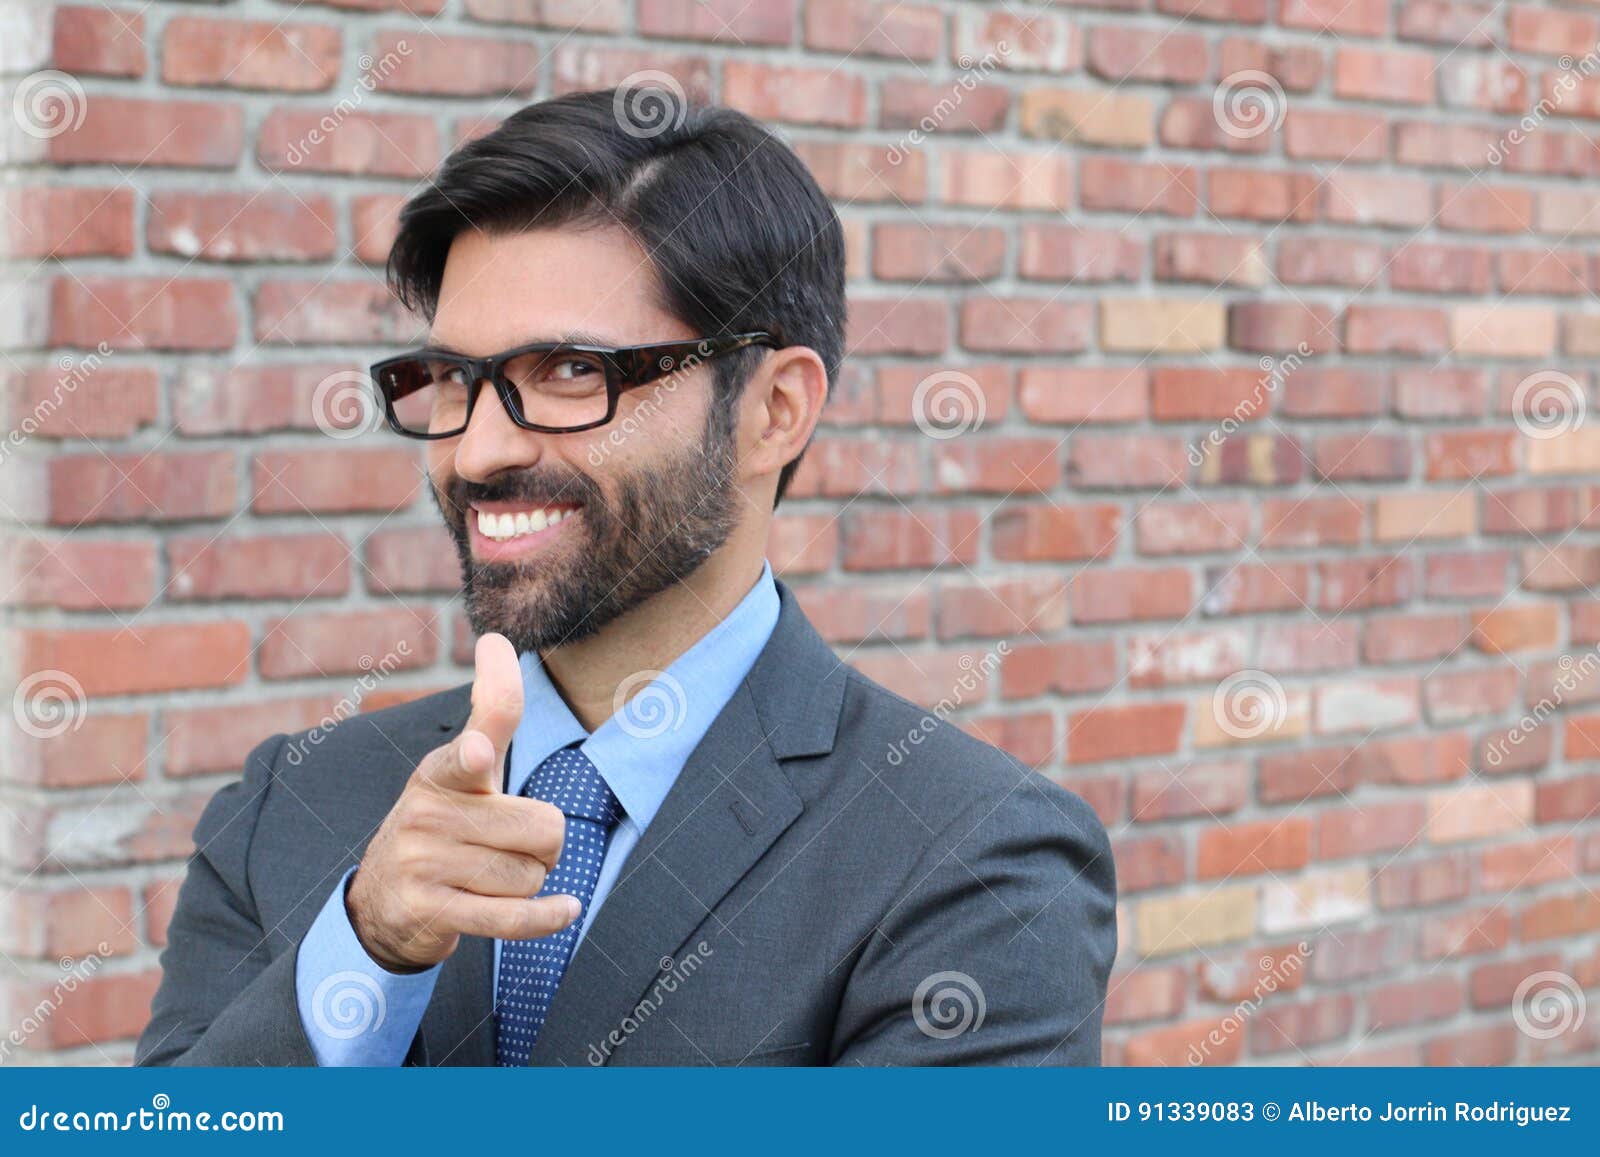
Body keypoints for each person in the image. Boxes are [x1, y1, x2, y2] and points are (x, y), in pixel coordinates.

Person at [135, 88, 1116, 1067]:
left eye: (567, 370)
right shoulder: (293, 804)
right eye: (450, 380)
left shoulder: (974, 861)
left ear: (772, 410)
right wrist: (365, 953)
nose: (477, 451)